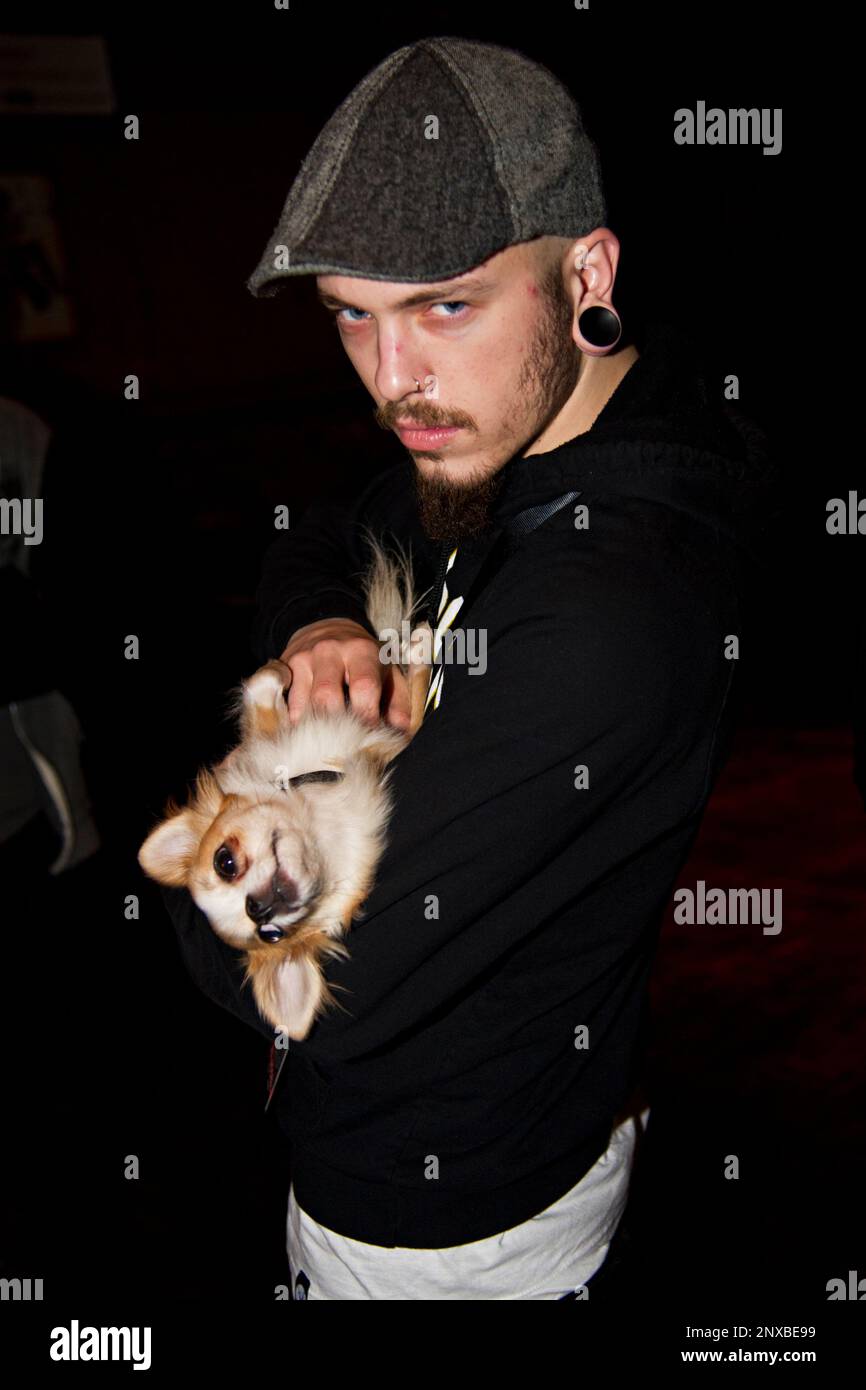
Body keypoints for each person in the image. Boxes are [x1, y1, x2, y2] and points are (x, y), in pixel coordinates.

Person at [159, 36, 779, 1299]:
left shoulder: (610, 604)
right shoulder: (502, 436)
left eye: (445, 304)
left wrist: (206, 840)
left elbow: (315, 982)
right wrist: (319, 630)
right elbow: (328, 530)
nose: (396, 382)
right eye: (351, 316)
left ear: (586, 270)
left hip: (453, 1233)